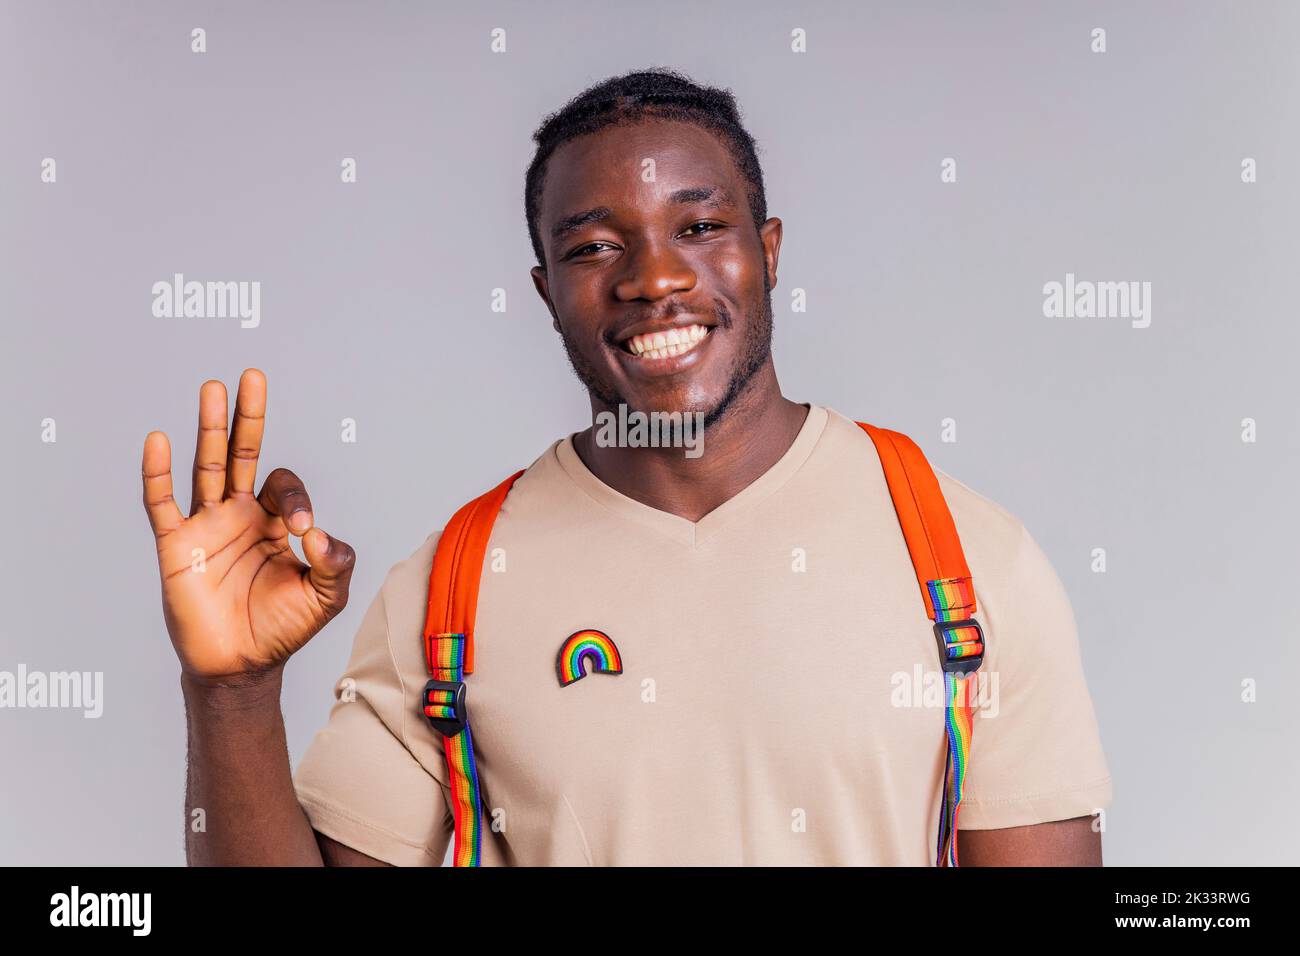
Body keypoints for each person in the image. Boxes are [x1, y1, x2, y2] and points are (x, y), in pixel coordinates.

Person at [141, 68, 1111, 866]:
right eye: (596, 246)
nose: (653, 278)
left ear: (766, 252)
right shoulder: (455, 585)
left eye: (698, 228)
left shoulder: (967, 557)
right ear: (546, 291)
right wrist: (231, 693)